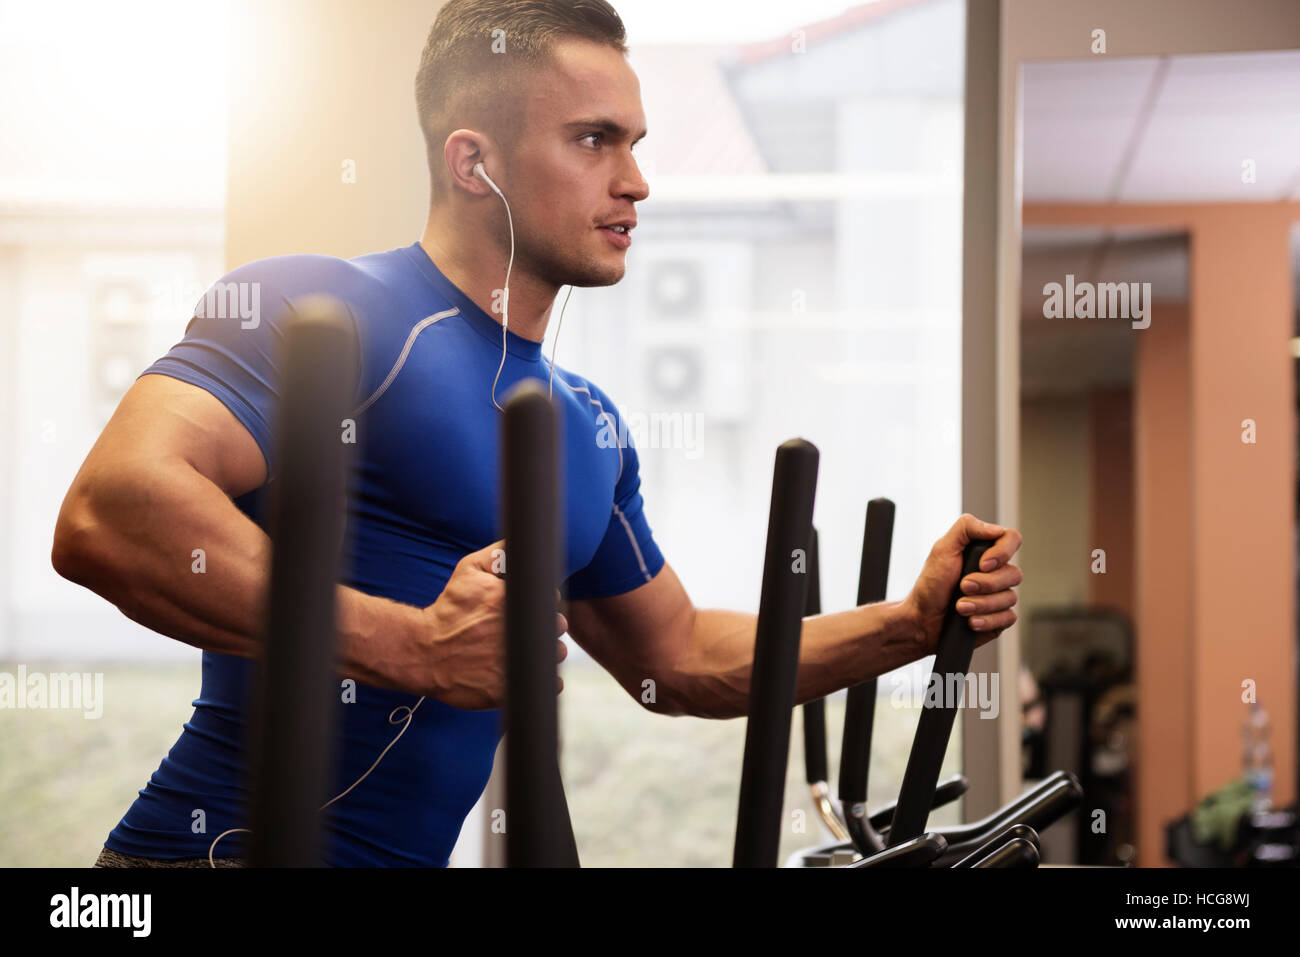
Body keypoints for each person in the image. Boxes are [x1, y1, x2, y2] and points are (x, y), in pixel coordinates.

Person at [52, 0, 1022, 868]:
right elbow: (111, 515)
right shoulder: (324, 307)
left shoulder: (587, 423)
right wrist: (412, 648)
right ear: (474, 162)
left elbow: (675, 659)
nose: (637, 181)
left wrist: (909, 623)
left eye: (636, 142)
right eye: (595, 141)